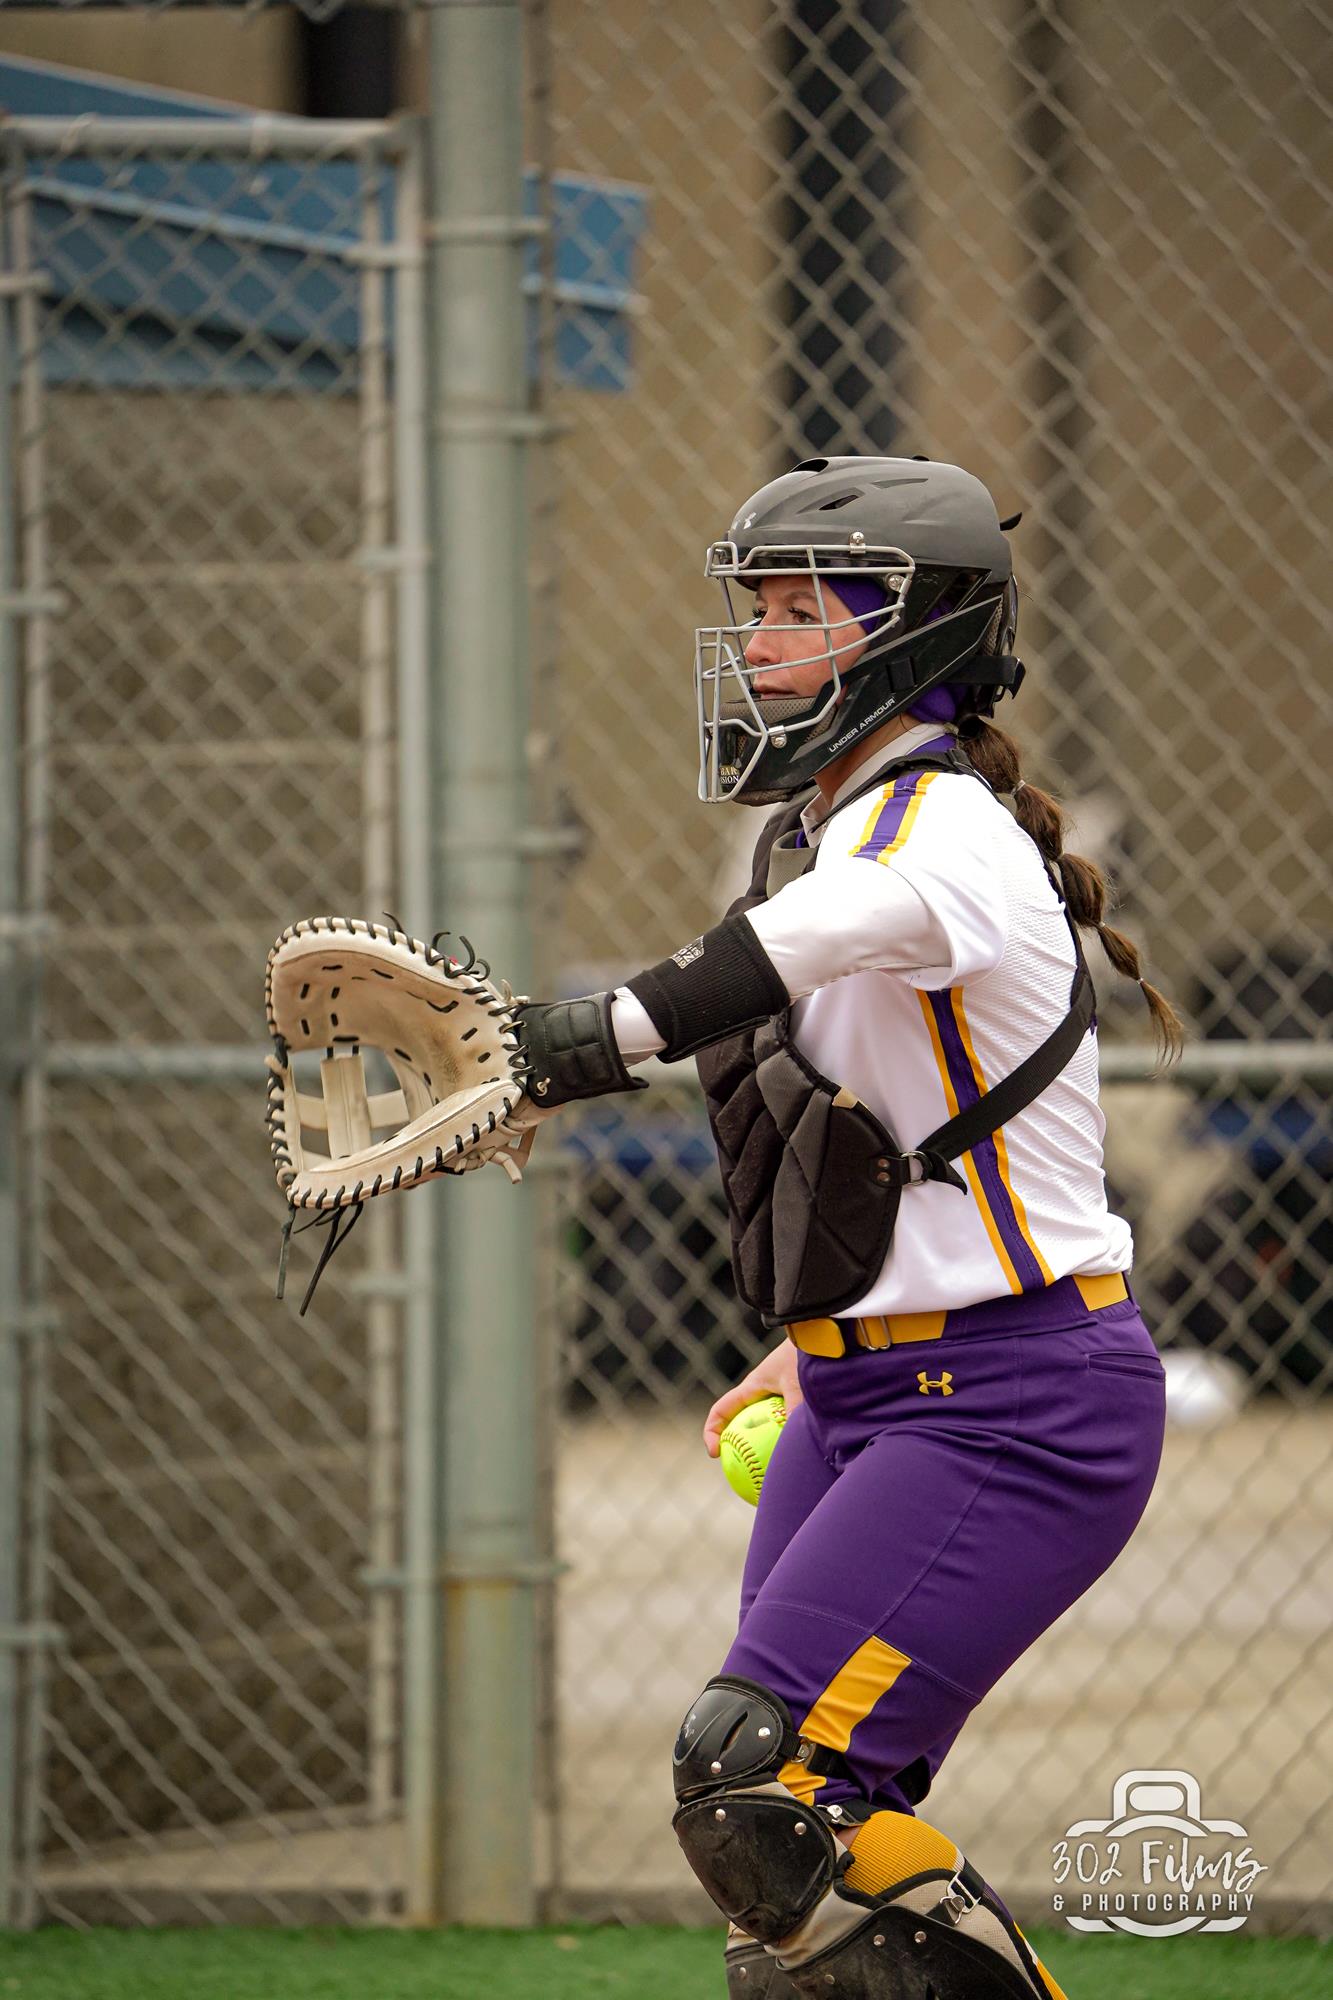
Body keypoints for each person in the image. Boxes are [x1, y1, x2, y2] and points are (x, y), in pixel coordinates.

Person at [513, 455, 1183, 1999]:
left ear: (915, 636)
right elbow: (902, 1157)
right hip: (867, 1385)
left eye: (803, 612)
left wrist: (569, 1043)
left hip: (1017, 1406)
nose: (758, 644)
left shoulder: (938, 831)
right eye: (755, 609)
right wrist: (821, 1344)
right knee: (788, 1844)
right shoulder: (837, 830)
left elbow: (800, 944)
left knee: (759, 1780)